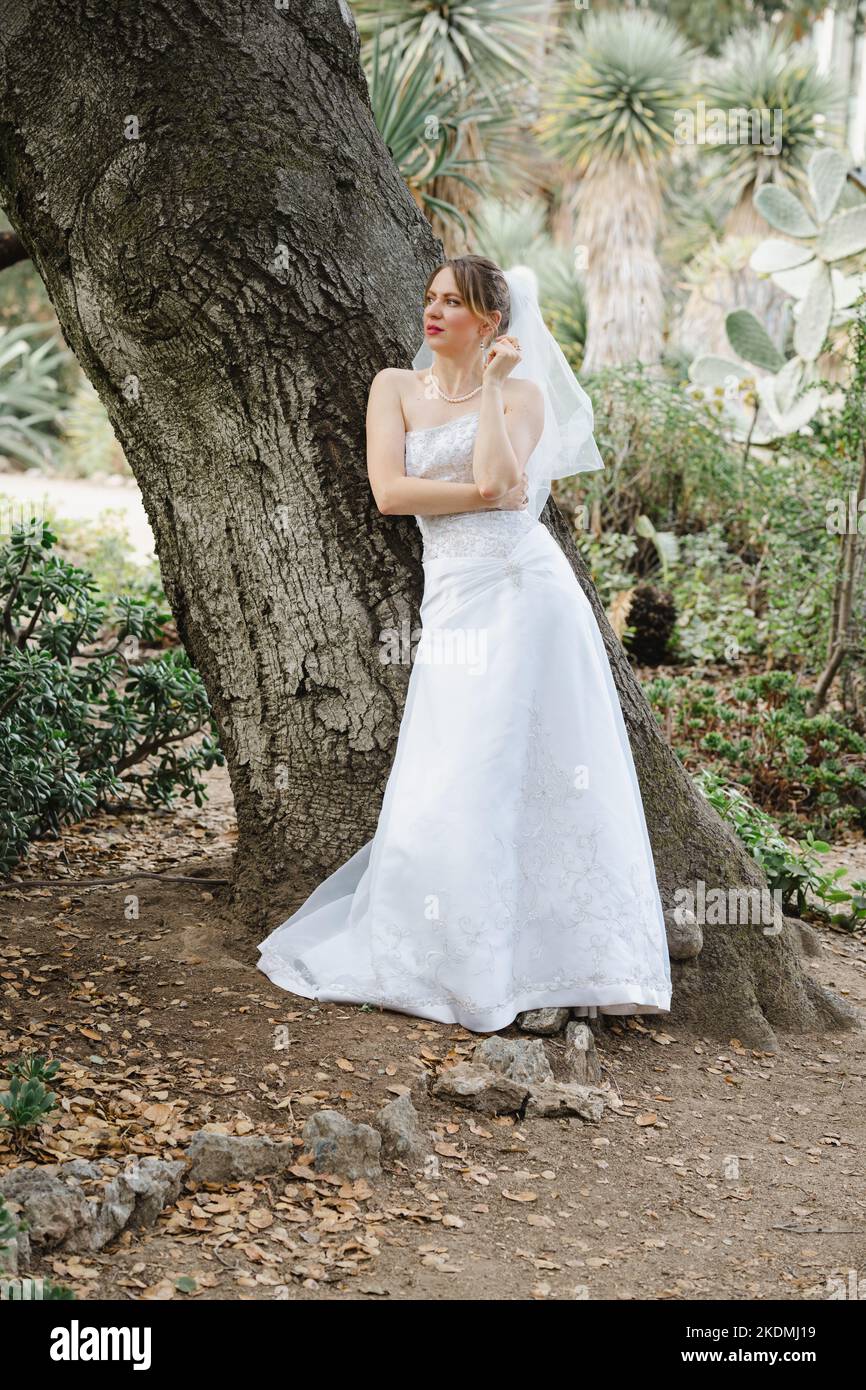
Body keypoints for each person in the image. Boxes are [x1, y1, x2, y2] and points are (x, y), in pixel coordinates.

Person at [256, 255, 673, 1033]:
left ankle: (564, 962)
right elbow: (393, 492)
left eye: (455, 302)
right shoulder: (394, 388)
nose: (435, 311)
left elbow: (502, 478)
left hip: (530, 592)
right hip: (455, 593)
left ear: (492, 325)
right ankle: (455, 955)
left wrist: (486, 392)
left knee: (545, 765)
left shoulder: (522, 396)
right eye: (431, 298)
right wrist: (478, 494)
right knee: (457, 760)